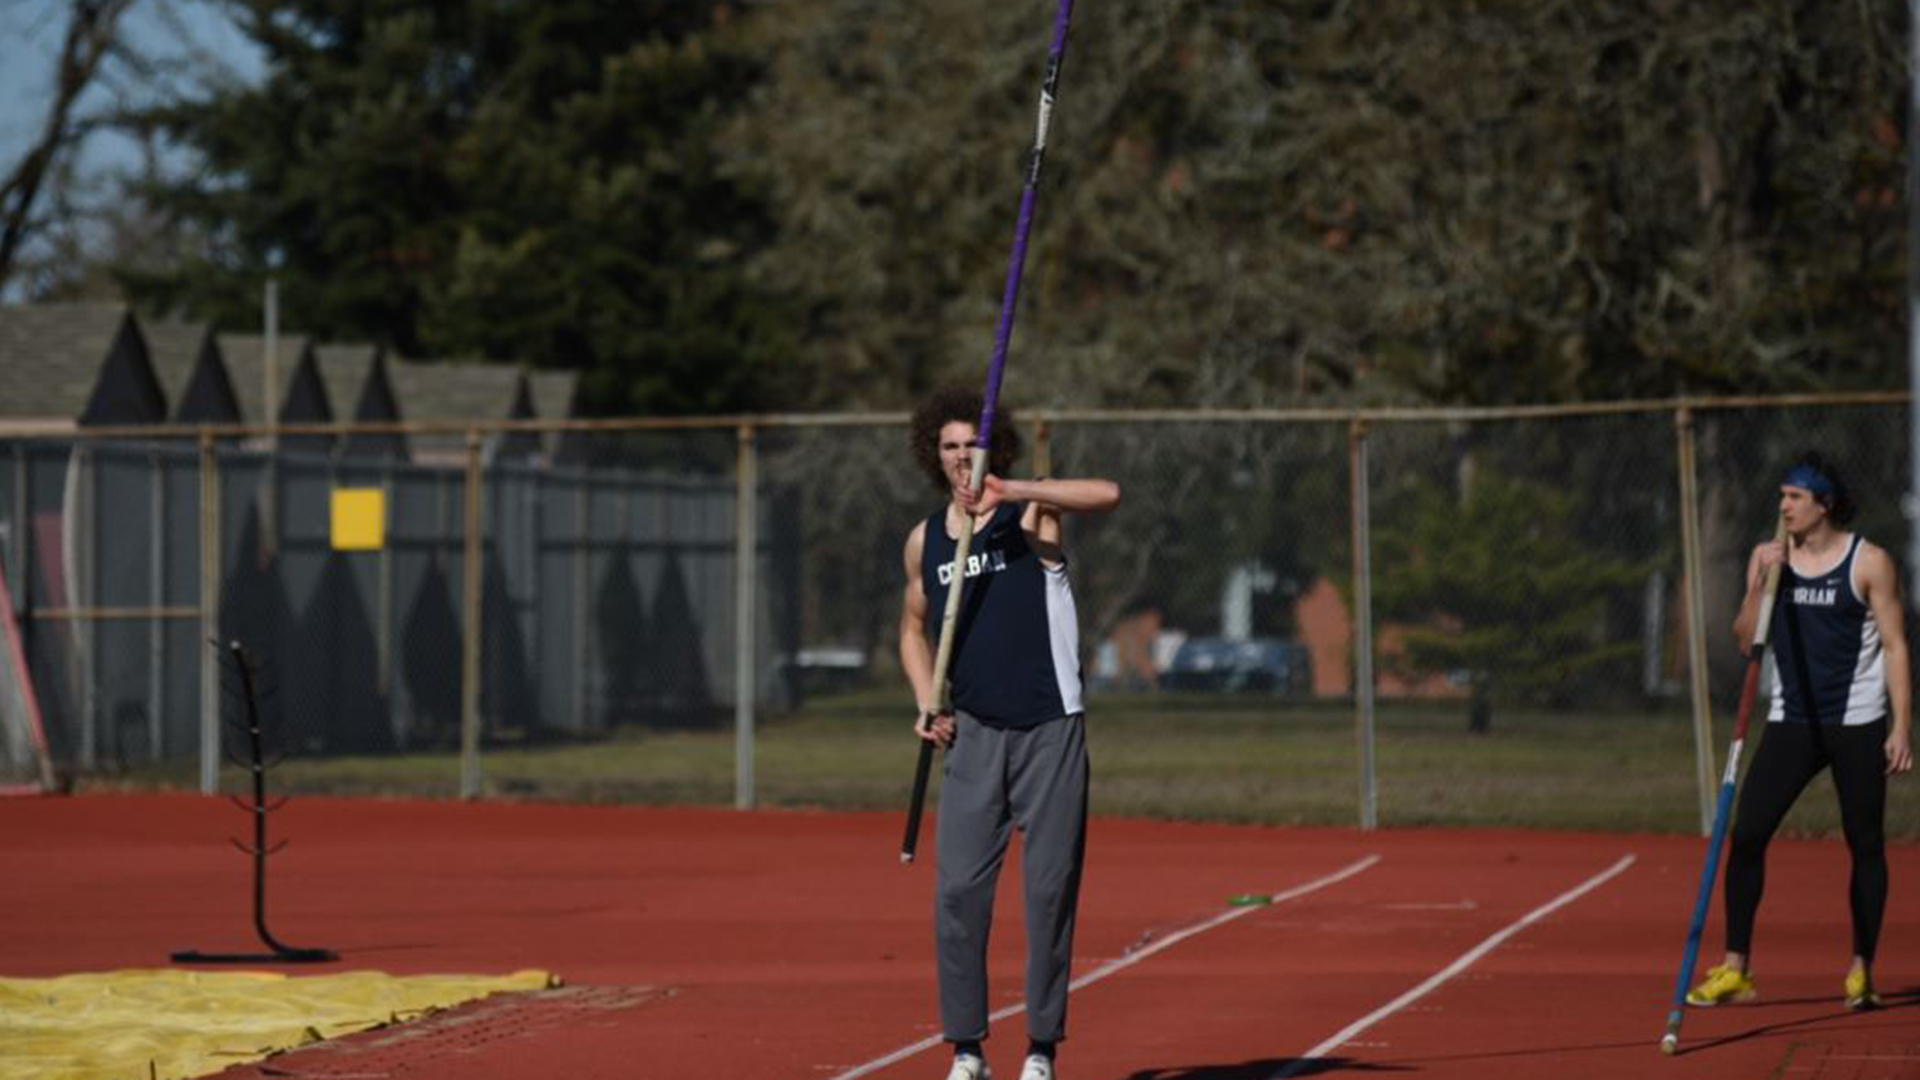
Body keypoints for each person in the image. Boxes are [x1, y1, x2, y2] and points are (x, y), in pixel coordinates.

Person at [898, 386, 1121, 1080]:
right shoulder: (925, 540)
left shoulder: (1032, 515)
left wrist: (1012, 488)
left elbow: (1108, 492)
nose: (962, 456)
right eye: (950, 446)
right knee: (959, 893)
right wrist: (924, 699)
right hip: (974, 736)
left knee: (1049, 891)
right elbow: (911, 629)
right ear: (933, 456)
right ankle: (967, 1048)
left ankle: (1041, 1049)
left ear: (994, 449)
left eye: (973, 443)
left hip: (1049, 731)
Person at [1687, 452, 1913, 1010]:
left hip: (1858, 721)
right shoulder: (1772, 560)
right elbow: (1746, 640)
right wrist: (1758, 584)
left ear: (1824, 504)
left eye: (1795, 497)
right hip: (1792, 721)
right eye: (1782, 495)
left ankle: (1862, 970)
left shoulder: (1869, 561)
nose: (1783, 506)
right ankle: (1736, 967)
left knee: (1864, 843)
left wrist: (1902, 727)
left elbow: (1895, 646)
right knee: (1748, 835)